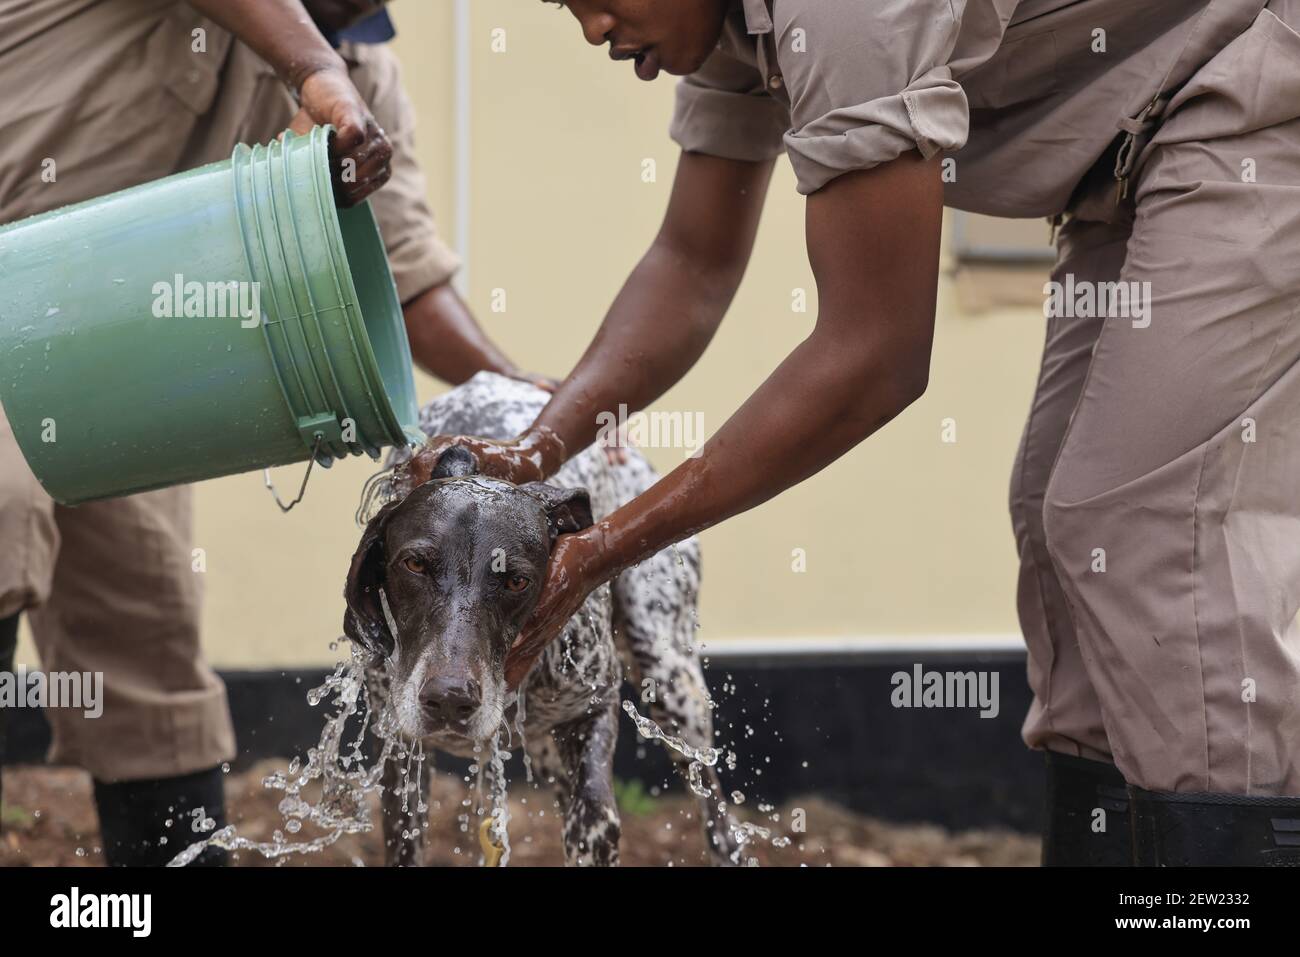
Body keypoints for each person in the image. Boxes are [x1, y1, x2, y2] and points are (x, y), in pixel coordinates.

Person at [405, 0, 1300, 865]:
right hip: (1128, 151)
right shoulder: (722, 28)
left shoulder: (842, 10)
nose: (591, 26)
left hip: (1245, 93)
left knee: (1142, 527)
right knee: (1060, 522)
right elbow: (694, 262)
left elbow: (876, 353)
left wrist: (603, 550)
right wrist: (540, 444)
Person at [0, 0, 538, 866]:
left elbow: (402, 280)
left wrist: (540, 404)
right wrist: (310, 69)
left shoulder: (364, 74)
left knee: (146, 641)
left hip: (97, 369)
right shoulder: (315, 61)